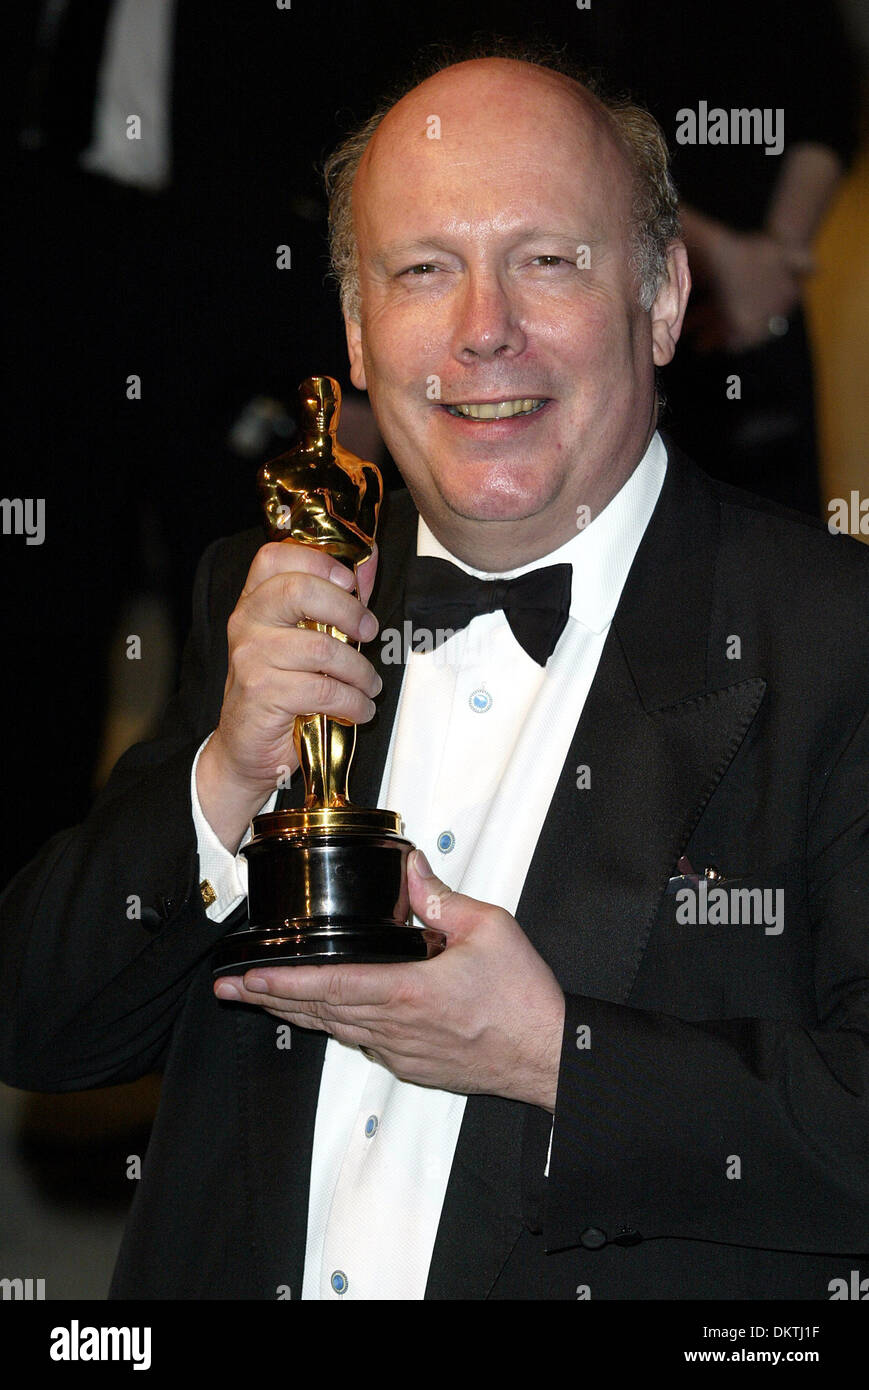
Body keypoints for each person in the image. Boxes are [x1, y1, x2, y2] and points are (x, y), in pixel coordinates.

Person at [1, 50, 867, 1301]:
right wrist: (220, 779)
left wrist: (554, 1058)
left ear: (665, 296)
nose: (481, 330)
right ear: (356, 334)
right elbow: (43, 1027)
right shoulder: (270, 592)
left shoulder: (829, 643)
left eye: (545, 260)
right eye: (422, 270)